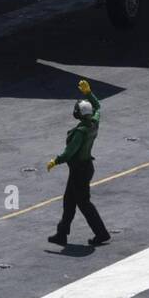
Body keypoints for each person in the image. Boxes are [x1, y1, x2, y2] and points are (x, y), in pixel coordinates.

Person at [46, 78, 110, 247]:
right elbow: (98, 107)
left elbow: (69, 152)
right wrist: (89, 93)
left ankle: (102, 234)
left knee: (83, 204)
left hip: (79, 170)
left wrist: (55, 161)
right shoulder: (94, 123)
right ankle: (61, 234)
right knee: (69, 201)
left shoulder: (80, 132)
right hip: (85, 168)